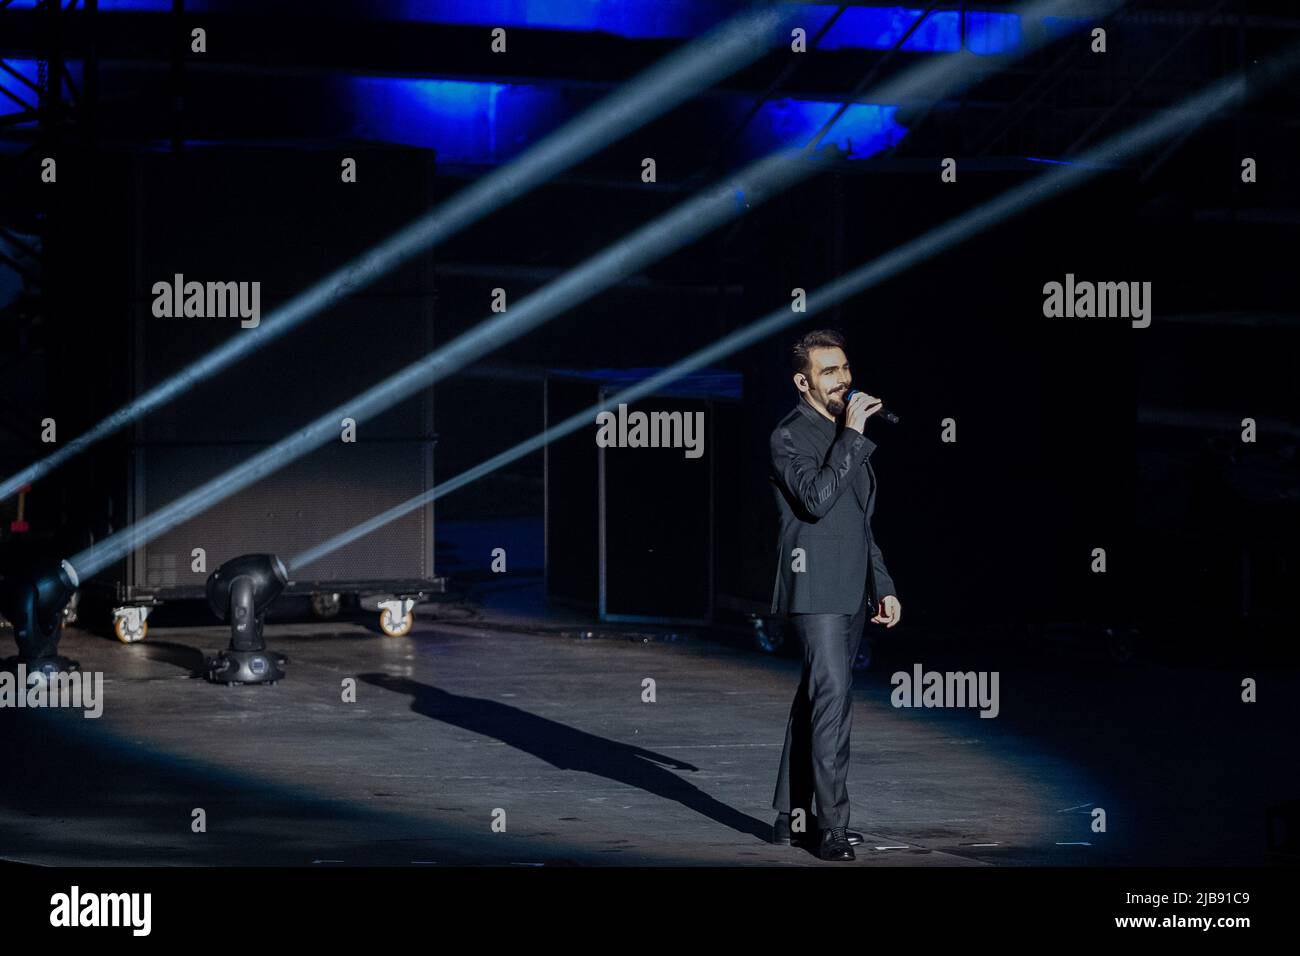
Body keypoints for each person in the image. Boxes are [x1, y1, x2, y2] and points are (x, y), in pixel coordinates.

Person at [768, 328, 901, 861]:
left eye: (844, 368)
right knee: (832, 704)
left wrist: (883, 586)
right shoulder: (789, 436)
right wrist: (851, 434)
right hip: (816, 585)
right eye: (828, 371)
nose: (842, 379)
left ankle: (789, 817)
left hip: (851, 586)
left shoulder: (849, 435)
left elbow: (860, 521)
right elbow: (818, 500)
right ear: (803, 382)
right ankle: (831, 827)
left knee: (816, 700)